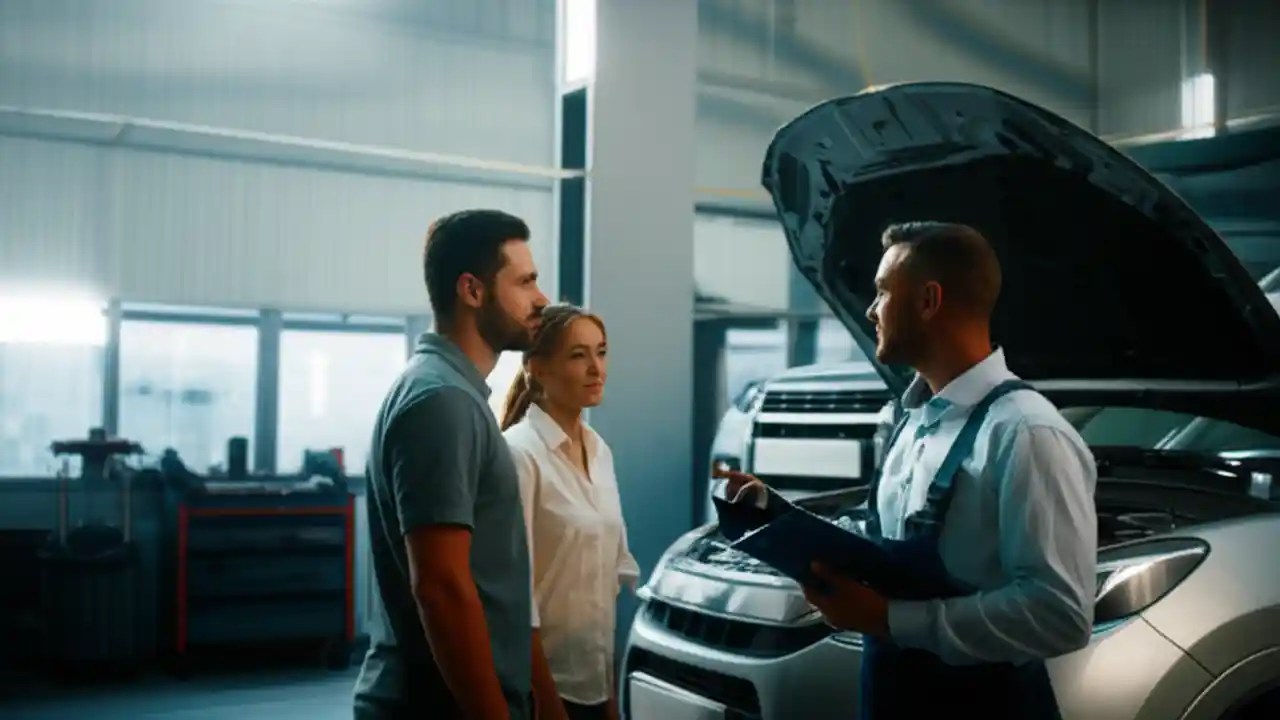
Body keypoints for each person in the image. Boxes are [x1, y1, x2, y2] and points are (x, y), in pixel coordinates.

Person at [716, 222, 1097, 719]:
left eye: (880, 292)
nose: (871, 311)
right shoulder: (906, 421)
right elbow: (880, 541)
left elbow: (1060, 615)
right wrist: (779, 515)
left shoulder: (1026, 434)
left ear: (927, 301)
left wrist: (894, 619)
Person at [353, 209, 551, 720]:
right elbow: (440, 587)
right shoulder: (442, 401)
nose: (541, 298)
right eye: (525, 281)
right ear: (472, 290)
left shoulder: (451, 392)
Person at [499, 304, 640, 720]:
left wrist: (610, 693)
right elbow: (515, 597)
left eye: (601, 352)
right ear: (537, 369)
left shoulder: (599, 451)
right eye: (579, 356)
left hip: (594, 686)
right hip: (542, 692)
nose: (597, 368)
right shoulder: (519, 454)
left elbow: (605, 582)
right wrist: (547, 701)